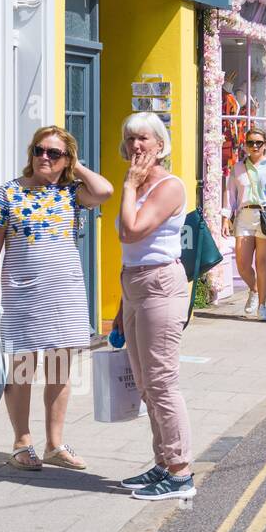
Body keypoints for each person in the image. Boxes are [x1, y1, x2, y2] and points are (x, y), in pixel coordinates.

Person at [0, 127, 113, 472]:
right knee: (23, 368)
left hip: (65, 290)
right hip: (22, 290)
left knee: (60, 368)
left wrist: (76, 166)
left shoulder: (72, 192)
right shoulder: (9, 192)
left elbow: (104, 191)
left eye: (54, 153)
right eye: (40, 150)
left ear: (66, 160)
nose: (44, 157)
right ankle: (21, 443)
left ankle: (55, 444)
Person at [112, 113, 196, 500]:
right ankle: (163, 462)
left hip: (161, 283)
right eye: (130, 138)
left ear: (160, 145)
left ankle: (180, 473)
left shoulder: (169, 187)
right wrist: (119, 304)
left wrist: (129, 185)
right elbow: (130, 249)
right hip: (134, 282)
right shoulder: (138, 186)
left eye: (143, 138)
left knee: (162, 382)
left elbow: (131, 230)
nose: (135, 146)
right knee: (145, 384)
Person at [221, 127, 266, 321]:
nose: (254, 146)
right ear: (245, 145)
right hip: (244, 216)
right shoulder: (238, 167)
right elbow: (231, 195)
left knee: (262, 263)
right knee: (242, 264)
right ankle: (253, 289)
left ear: (265, 145)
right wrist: (226, 217)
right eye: (250, 142)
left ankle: (262, 305)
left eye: (258, 143)